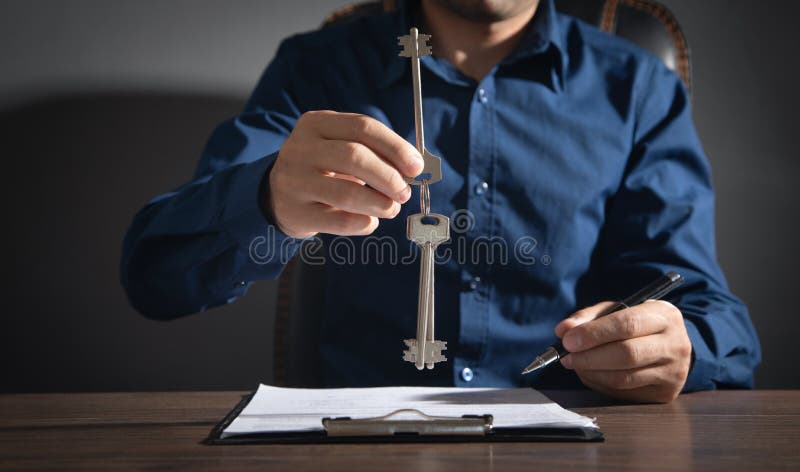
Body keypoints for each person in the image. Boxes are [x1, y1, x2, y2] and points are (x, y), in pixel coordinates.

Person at [121, 0, 760, 402]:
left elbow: (707, 310)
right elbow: (156, 277)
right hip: (361, 444)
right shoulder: (318, 70)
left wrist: (681, 348)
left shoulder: (637, 87)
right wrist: (265, 200)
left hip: (568, 435)